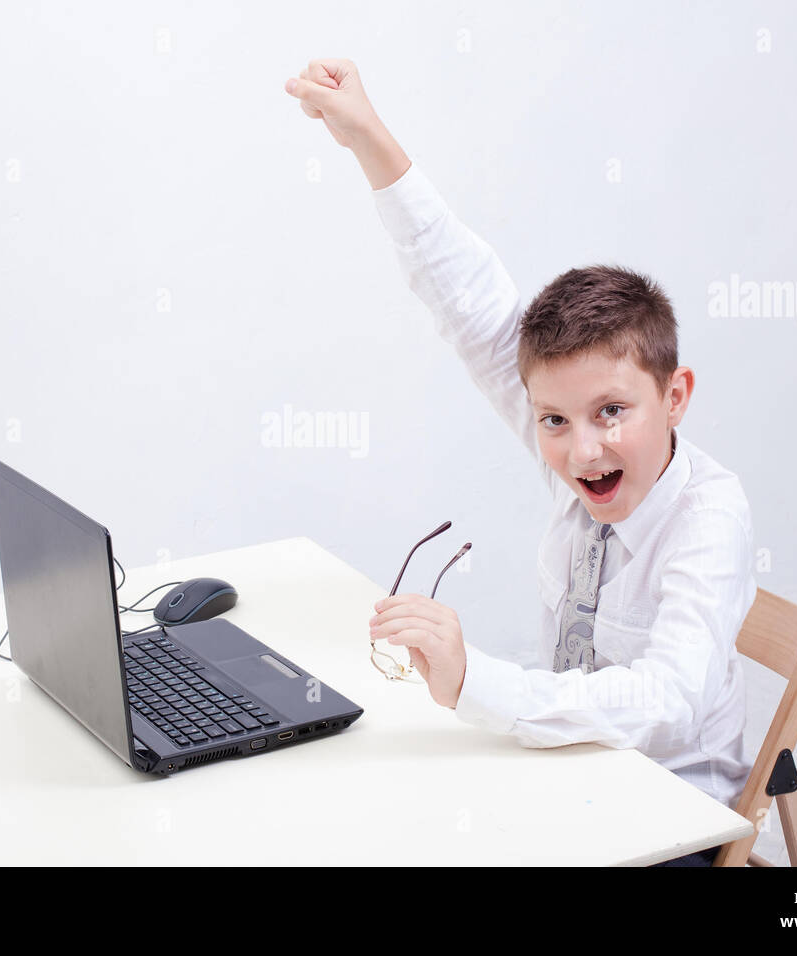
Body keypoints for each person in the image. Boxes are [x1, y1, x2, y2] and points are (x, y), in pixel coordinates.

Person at [285, 59, 758, 867]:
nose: (582, 449)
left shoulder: (710, 517)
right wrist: (367, 137)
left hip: (668, 814)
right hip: (567, 776)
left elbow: (670, 701)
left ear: (674, 396)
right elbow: (464, 296)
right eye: (553, 420)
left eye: (613, 411)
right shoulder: (583, 457)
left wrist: (481, 680)